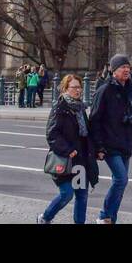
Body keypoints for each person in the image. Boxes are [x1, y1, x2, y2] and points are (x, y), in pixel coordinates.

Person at [88, 54, 132, 224]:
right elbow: (94, 120)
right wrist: (99, 146)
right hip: (109, 144)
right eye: (122, 67)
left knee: (121, 185)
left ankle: (111, 219)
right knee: (121, 179)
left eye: (128, 67)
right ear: (113, 70)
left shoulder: (131, 90)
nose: (126, 70)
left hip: (126, 143)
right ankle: (104, 216)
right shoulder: (104, 90)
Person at [39, 74, 98, 223]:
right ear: (65, 89)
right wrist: (67, 150)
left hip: (81, 160)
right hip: (65, 159)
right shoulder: (60, 107)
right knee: (66, 194)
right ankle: (45, 218)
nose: (78, 90)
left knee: (82, 195)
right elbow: (52, 133)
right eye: (74, 87)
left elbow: (87, 134)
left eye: (79, 87)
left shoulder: (80, 108)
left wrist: (97, 150)